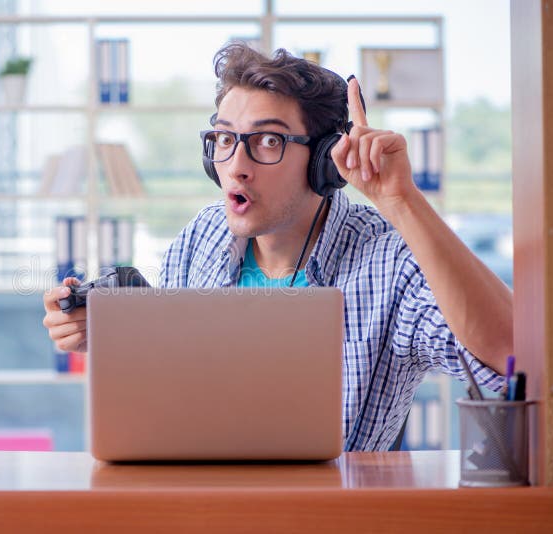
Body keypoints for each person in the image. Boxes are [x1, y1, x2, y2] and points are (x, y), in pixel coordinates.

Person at [43, 42, 513, 451]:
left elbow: (510, 357)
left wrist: (403, 201)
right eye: (225, 138)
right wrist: (119, 335)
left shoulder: (391, 260)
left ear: (326, 161)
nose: (236, 166)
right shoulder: (201, 237)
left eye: (268, 140)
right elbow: (181, 394)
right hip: (203, 506)